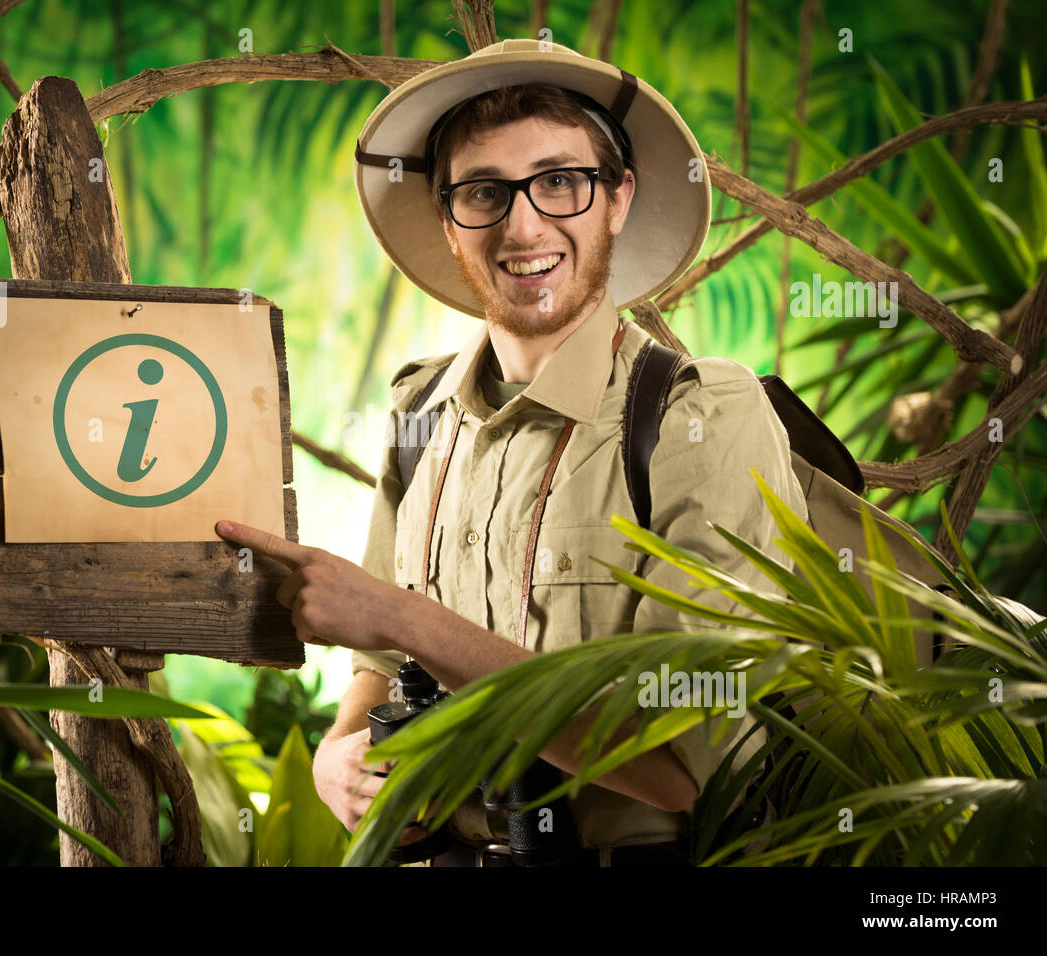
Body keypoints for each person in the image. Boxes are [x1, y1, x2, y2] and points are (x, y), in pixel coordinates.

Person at [215, 38, 809, 866]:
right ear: (445, 217)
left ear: (618, 198)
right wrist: (338, 756)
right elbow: (378, 661)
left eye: (560, 182)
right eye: (485, 192)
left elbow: (683, 765)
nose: (523, 225)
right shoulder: (418, 408)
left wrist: (403, 616)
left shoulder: (699, 416)